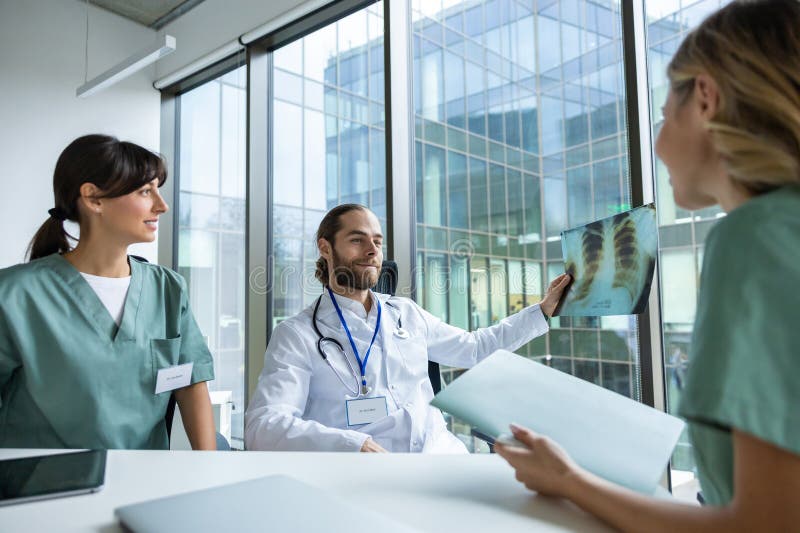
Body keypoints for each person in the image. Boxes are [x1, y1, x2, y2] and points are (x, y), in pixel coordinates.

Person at [496, 0, 800, 529]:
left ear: (705, 99)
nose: (657, 143)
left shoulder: (754, 239)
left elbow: (765, 524)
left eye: (663, 115)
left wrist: (567, 480)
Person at [245, 204, 570, 453]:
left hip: (442, 457)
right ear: (326, 248)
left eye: (377, 242)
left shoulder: (406, 313)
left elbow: (474, 348)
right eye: (357, 240)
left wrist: (542, 311)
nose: (372, 251)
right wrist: (352, 444)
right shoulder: (298, 334)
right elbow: (263, 426)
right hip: (368, 475)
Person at [0, 134, 216, 450]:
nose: (162, 205)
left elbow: (191, 383)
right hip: (42, 477)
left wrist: (208, 466)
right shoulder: (15, 294)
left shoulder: (168, 288)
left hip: (145, 475)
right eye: (145, 191)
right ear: (94, 198)